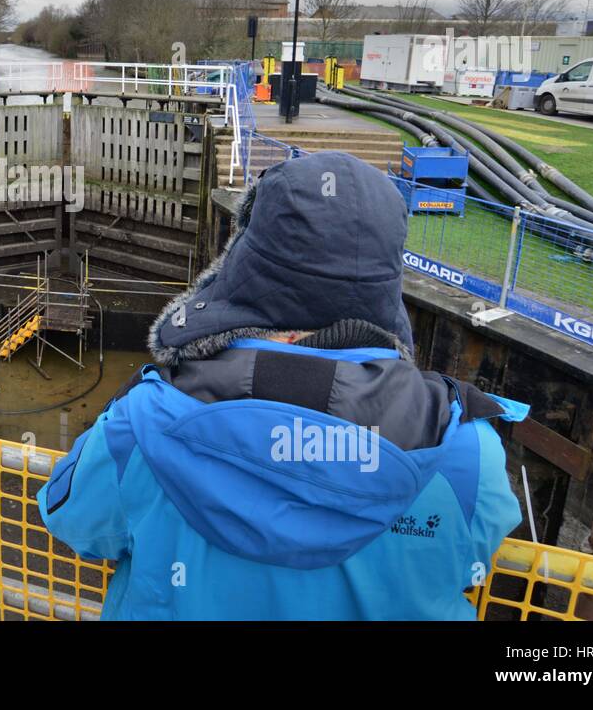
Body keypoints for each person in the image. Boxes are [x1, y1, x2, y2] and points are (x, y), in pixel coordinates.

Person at [39, 151, 527, 620]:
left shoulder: (143, 423)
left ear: (246, 274)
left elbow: (71, 518)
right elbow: (470, 564)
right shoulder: (466, 450)